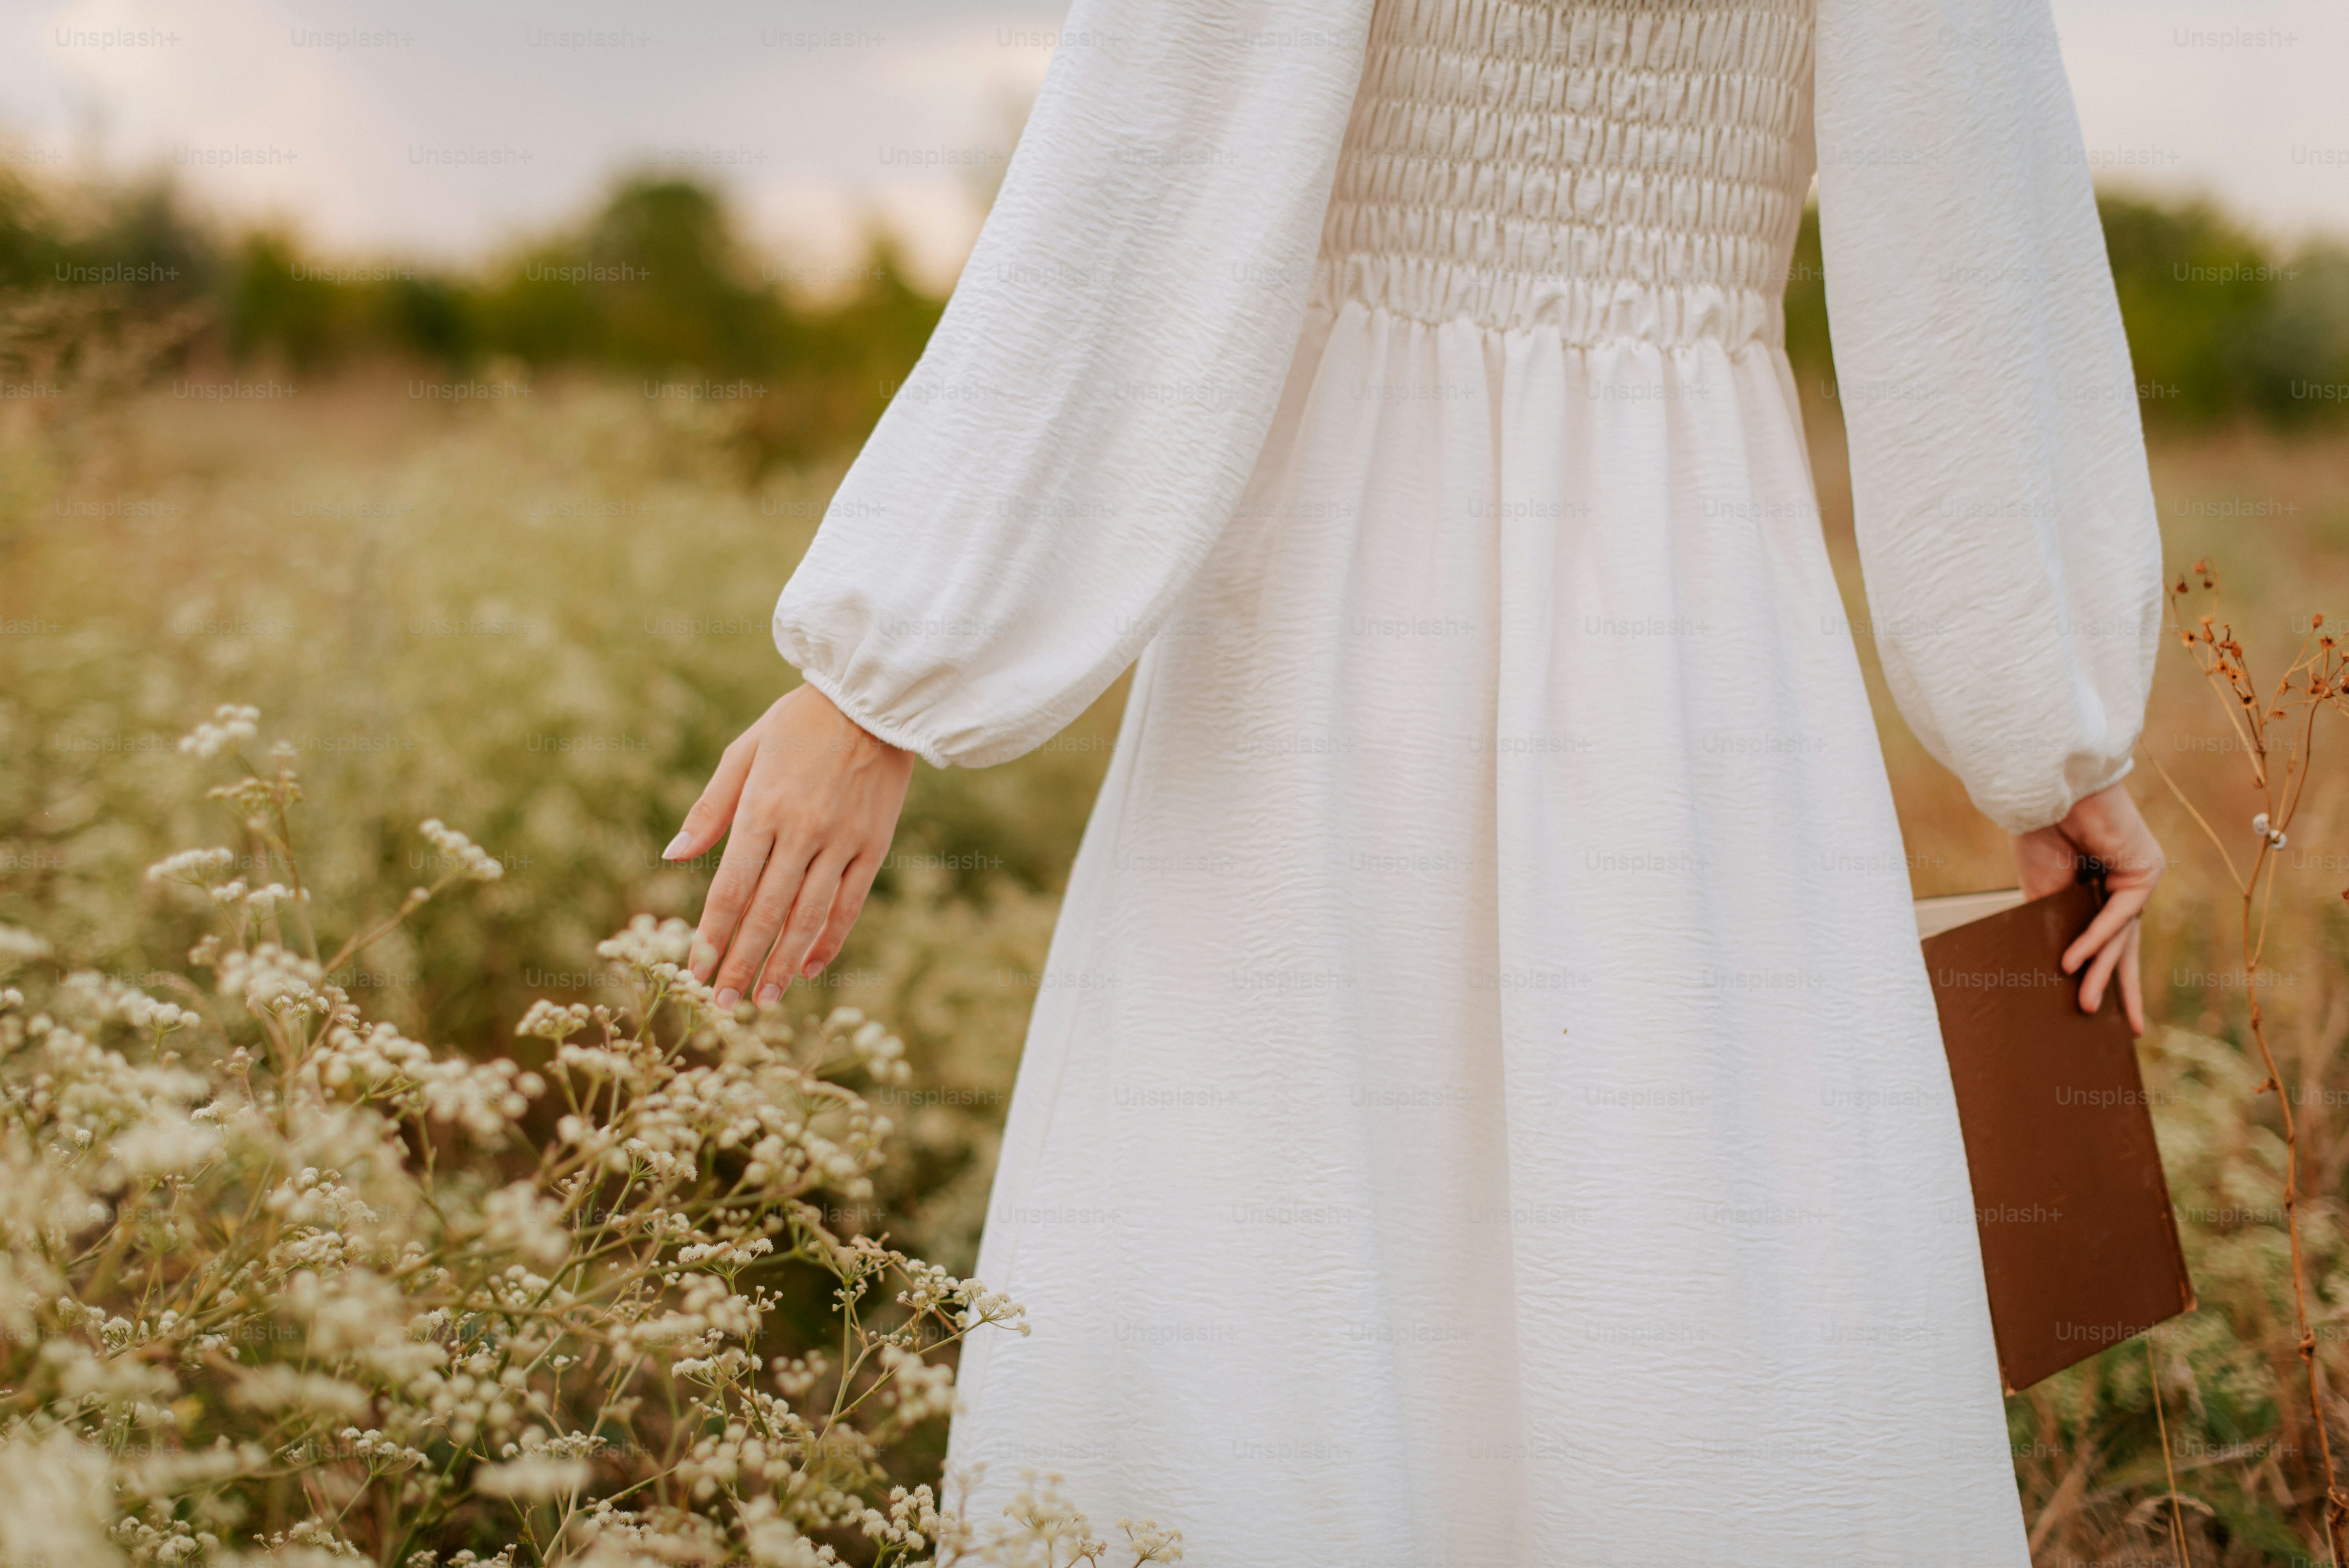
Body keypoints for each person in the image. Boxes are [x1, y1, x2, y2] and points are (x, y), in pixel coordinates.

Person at [661, 0, 2165, 1559]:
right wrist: (2041, 725)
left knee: (1286, 1203)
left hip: (1343, 572)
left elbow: (1140, 185)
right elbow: (1978, 255)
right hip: (1686, 592)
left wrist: (887, 674)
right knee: (1681, 1185)